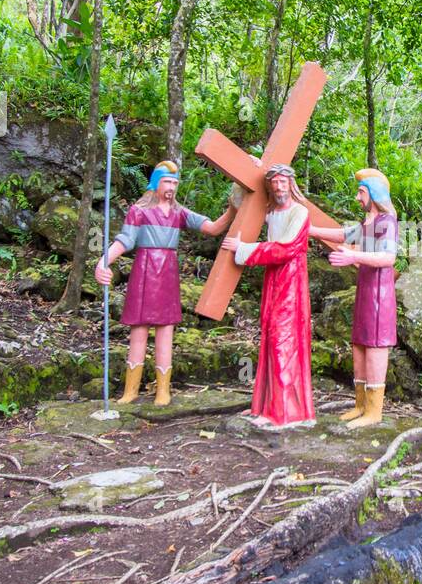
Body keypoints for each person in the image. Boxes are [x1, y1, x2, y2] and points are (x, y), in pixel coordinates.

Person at [95, 160, 233, 405]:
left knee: (165, 330)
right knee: (139, 329)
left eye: (175, 182)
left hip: (167, 271)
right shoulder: (139, 211)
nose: (171, 187)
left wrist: (233, 209)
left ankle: (163, 390)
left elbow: (212, 228)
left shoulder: (180, 213)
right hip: (144, 270)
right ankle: (131, 390)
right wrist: (104, 261)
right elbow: (125, 240)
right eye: (167, 181)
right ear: (156, 183)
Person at [222, 163, 315, 428]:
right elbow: (242, 203)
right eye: (273, 182)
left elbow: (285, 249)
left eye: (283, 182)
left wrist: (244, 249)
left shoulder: (300, 212)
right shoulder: (270, 213)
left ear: (292, 184)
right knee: (269, 338)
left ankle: (286, 412)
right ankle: (268, 407)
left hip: (291, 282)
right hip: (274, 281)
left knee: (282, 340)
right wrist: (250, 169)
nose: (278, 187)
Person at [310, 168, 398, 428]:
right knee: (359, 345)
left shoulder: (387, 222)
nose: (358, 198)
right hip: (364, 292)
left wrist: (353, 256)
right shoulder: (366, 224)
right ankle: (360, 404)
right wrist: (312, 230)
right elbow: (343, 234)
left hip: (380, 296)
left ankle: (374, 410)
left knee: (374, 346)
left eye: (362, 192)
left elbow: (388, 258)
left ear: (375, 194)